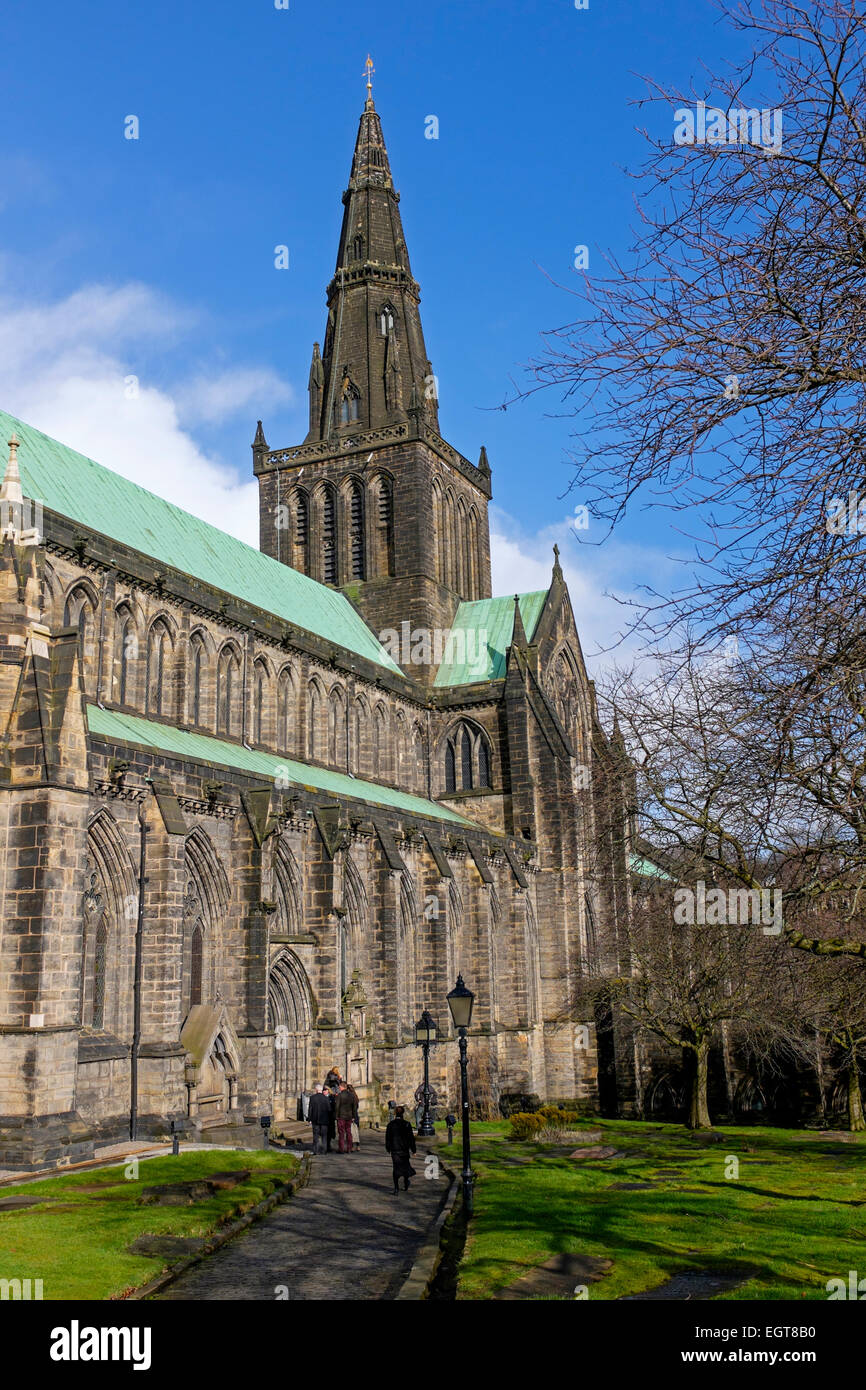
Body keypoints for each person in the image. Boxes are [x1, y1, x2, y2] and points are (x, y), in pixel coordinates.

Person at [385, 1105, 417, 1194]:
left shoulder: (390, 1125)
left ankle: (396, 1188)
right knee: (405, 1166)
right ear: (403, 1113)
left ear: (395, 1114)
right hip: (404, 1149)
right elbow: (411, 1139)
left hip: (395, 1149)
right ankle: (406, 1182)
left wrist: (388, 1148)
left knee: (396, 1168)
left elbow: (388, 1138)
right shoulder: (406, 1124)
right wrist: (413, 1150)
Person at [308, 1084, 330, 1155]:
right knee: (324, 1136)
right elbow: (329, 1109)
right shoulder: (326, 1098)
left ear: (316, 1090)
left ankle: (316, 1151)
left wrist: (309, 1119)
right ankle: (324, 1150)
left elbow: (310, 1109)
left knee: (316, 1136)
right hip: (324, 1120)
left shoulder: (312, 1098)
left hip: (315, 1119)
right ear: (321, 1090)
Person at [335, 1081, 355, 1153]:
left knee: (341, 1133)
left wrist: (336, 1116)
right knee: (348, 1132)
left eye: (339, 1087)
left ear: (342, 1087)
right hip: (349, 1116)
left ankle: (341, 1149)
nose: (339, 1088)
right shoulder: (352, 1095)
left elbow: (337, 1107)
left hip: (341, 1116)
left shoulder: (339, 1095)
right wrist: (353, 1116)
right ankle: (349, 1148)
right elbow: (354, 1107)